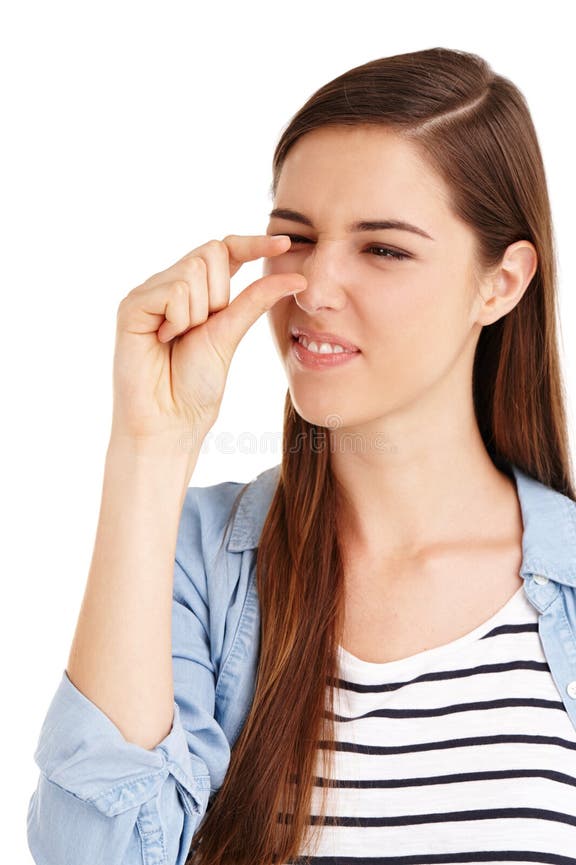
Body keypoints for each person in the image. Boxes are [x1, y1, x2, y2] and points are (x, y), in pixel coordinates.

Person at [27, 46, 576, 865]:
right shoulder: (199, 561)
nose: (314, 289)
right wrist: (151, 443)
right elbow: (93, 854)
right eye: (297, 236)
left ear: (500, 282)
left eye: (383, 249)